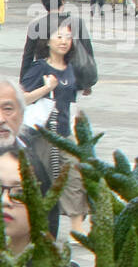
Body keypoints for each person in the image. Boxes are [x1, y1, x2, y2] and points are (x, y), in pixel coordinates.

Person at [20, 18, 89, 234]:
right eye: (59, 36)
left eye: (68, 37)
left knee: (74, 178)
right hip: (43, 136)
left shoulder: (72, 69)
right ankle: (38, 228)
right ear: (47, 42)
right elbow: (22, 98)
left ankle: (77, 230)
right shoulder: (39, 67)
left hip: (65, 134)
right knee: (42, 181)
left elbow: (73, 99)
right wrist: (46, 88)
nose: (64, 41)